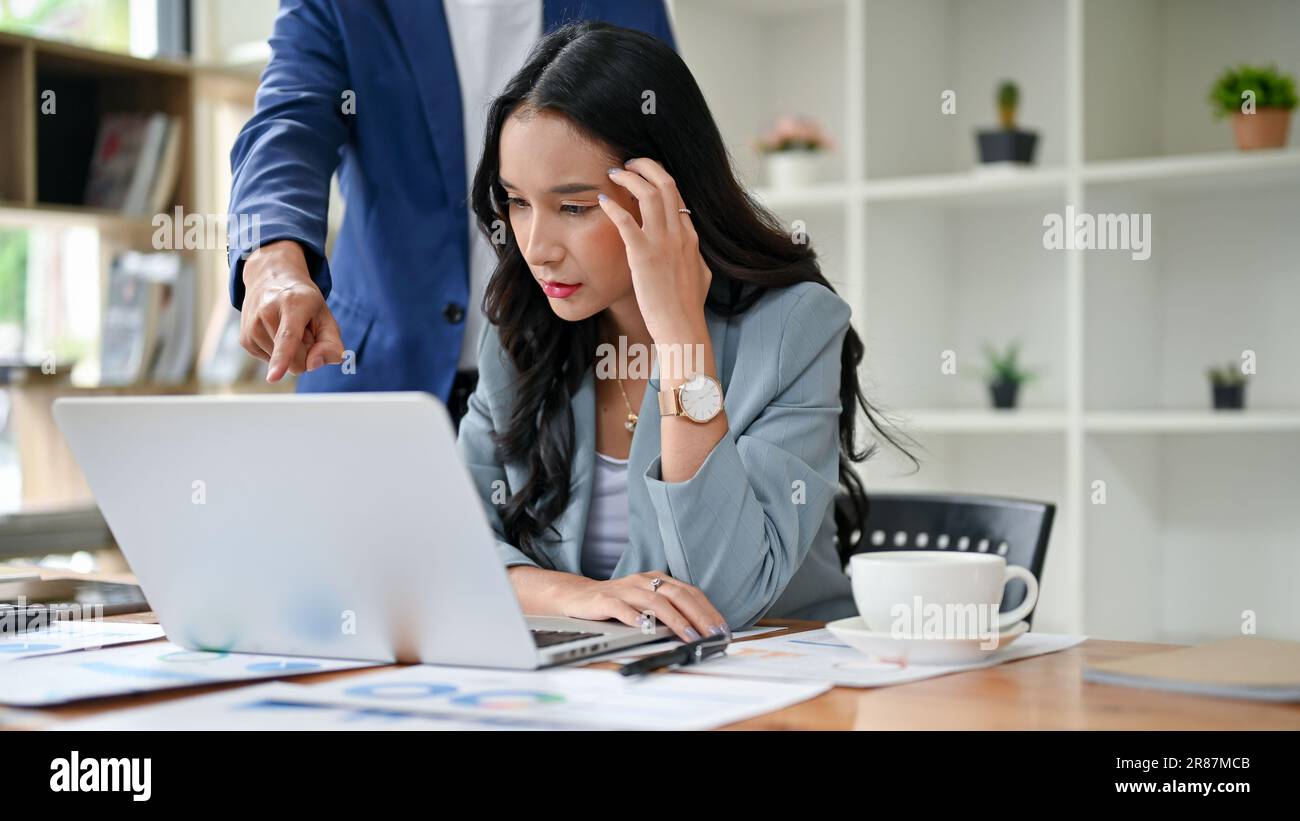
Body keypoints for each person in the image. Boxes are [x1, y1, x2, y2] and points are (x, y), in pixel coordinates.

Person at [458, 22, 913, 641]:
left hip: (779, 686)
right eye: (516, 201)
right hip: (602, 684)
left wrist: (681, 344)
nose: (536, 248)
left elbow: (728, 596)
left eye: (573, 207)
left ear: (666, 194)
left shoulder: (793, 328)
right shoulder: (518, 327)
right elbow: (451, 548)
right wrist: (576, 596)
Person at [227, 0, 676, 427]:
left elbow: (666, 149)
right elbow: (288, 126)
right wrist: (272, 260)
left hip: (573, 378)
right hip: (379, 376)